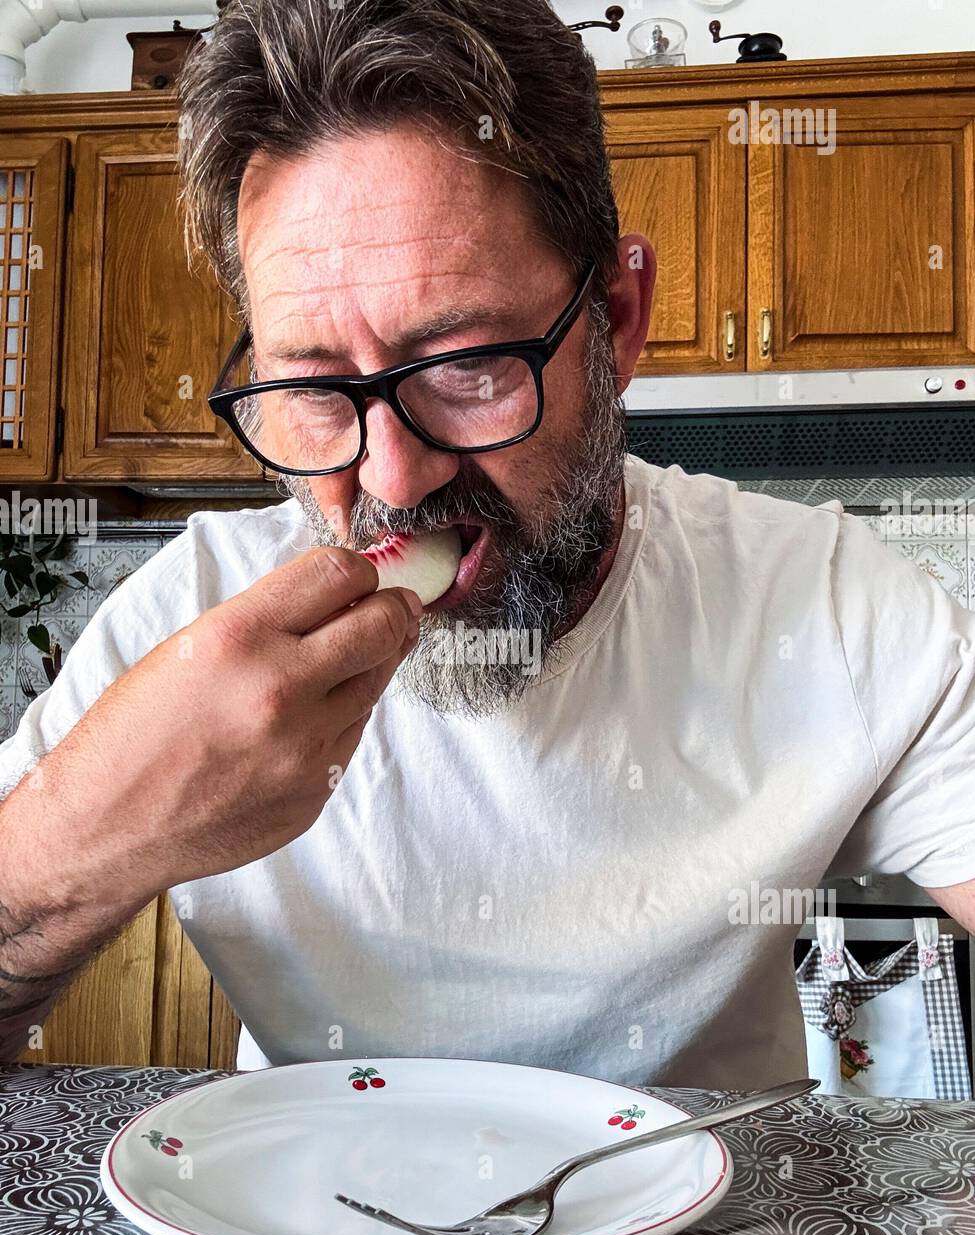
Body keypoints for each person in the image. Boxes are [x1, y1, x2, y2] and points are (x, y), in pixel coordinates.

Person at [2, 0, 974, 1085]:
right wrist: (77, 841)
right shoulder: (189, 624)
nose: (391, 478)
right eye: (315, 390)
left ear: (615, 319)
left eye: (466, 367)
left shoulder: (831, 610)